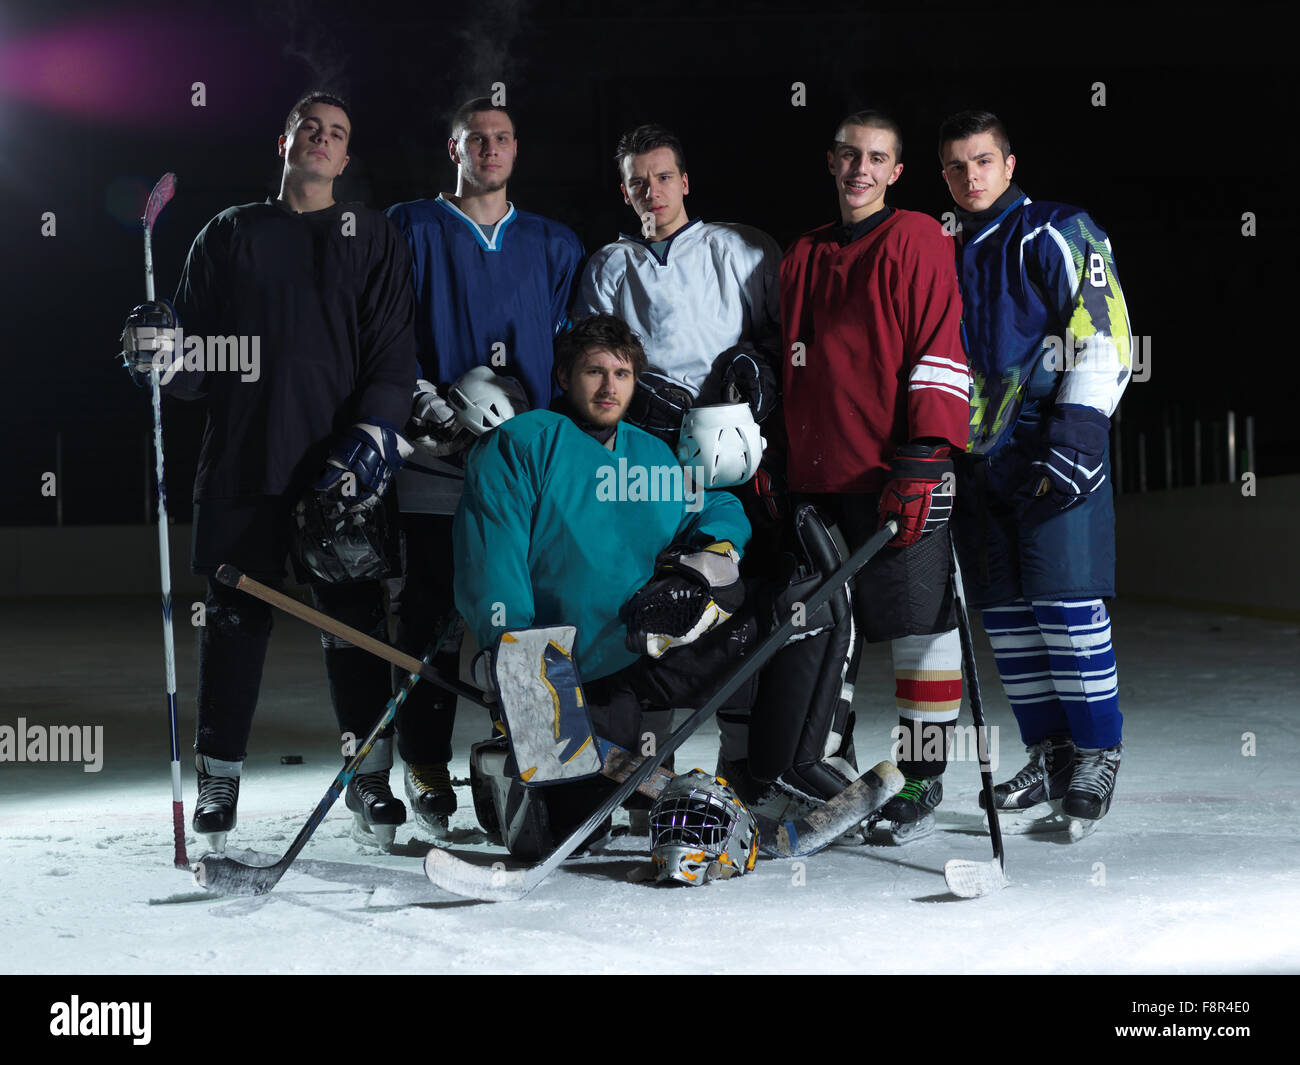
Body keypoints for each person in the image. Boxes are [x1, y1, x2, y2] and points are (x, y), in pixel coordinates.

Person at [119, 92, 419, 850]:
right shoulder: (231, 233)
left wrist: (375, 434)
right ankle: (219, 781)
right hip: (244, 463)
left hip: (340, 469)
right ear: (284, 139)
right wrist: (161, 354)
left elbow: (391, 353)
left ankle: (371, 775)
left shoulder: (372, 237)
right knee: (233, 620)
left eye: (337, 134)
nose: (321, 140)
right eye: (309, 127)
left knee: (354, 623)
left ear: (345, 159)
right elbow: (196, 370)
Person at [452, 314, 755, 859]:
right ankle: (505, 770)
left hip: (624, 663)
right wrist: (514, 659)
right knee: (562, 834)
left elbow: (721, 504)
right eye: (595, 371)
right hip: (546, 665)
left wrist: (709, 555)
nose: (610, 386)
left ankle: (766, 777)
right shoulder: (520, 444)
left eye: (622, 373)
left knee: (763, 626)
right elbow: (490, 562)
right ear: (565, 375)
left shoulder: (651, 455)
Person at [384, 98, 584, 834]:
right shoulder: (410, 225)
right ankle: (426, 764)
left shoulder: (555, 242)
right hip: (435, 458)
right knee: (432, 611)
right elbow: (384, 328)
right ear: (453, 147)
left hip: (522, 465)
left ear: (516, 148)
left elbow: (570, 353)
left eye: (501, 138)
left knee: (532, 614)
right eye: (477, 139)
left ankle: (545, 759)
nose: (490, 150)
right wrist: (422, 399)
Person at [779, 110, 972, 842]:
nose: (861, 168)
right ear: (831, 162)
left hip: (899, 477)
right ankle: (834, 770)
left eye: (878, 158)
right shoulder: (801, 253)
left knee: (921, 628)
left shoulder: (918, 235)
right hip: (821, 483)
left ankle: (920, 776)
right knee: (828, 636)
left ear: (896, 172)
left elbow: (938, 343)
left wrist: (926, 452)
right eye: (850, 155)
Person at [938, 110, 1130, 831]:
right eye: (955, 166)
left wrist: (1079, 432)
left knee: (1066, 606)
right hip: (982, 460)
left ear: (1009, 164)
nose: (970, 176)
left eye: (982, 161)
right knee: (1010, 620)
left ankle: (1097, 751)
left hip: (1052, 443)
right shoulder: (944, 245)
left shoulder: (1056, 227)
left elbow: (1104, 327)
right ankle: (1049, 754)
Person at [573, 122, 786, 769]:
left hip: (733, 463)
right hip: (648, 468)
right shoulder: (610, 265)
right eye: (639, 180)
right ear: (625, 190)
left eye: (664, 176)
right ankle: (646, 766)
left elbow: (784, 343)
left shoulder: (742, 248)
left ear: (685, 181)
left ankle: (744, 762)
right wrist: (638, 400)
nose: (653, 189)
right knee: (653, 605)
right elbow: (593, 366)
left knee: (735, 605)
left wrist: (759, 373)